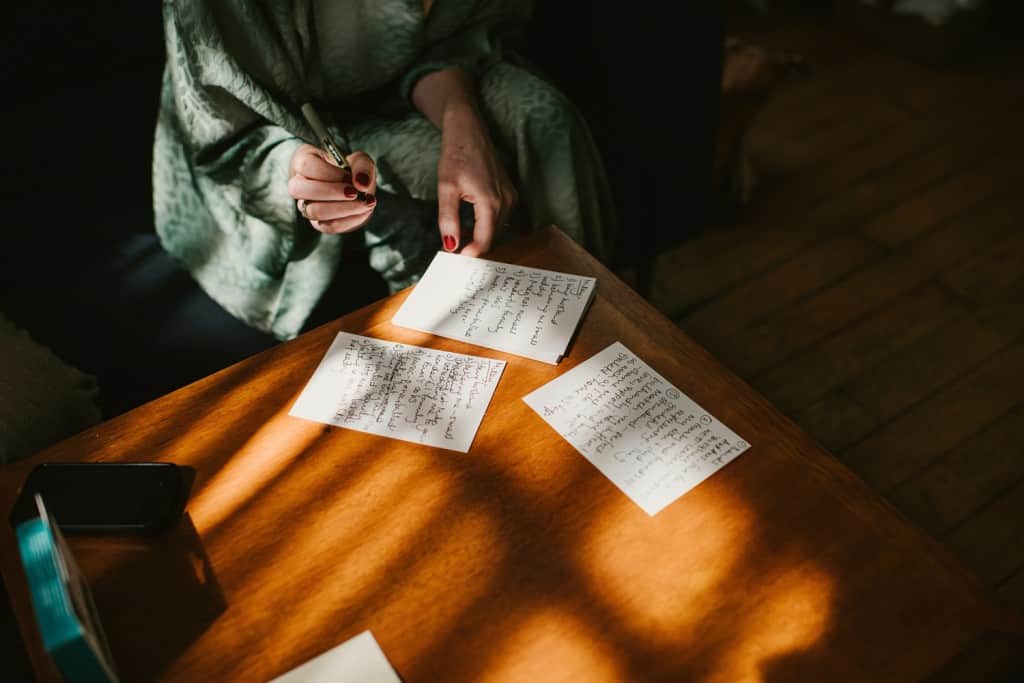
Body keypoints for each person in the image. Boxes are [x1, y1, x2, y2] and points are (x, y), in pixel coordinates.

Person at [155, 1, 617, 341]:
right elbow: (232, 132)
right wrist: (299, 170)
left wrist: (463, 123)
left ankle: (597, 334)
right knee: (419, 182)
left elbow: (457, 34)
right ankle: (467, 373)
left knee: (544, 119)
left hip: (432, 80)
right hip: (272, 125)